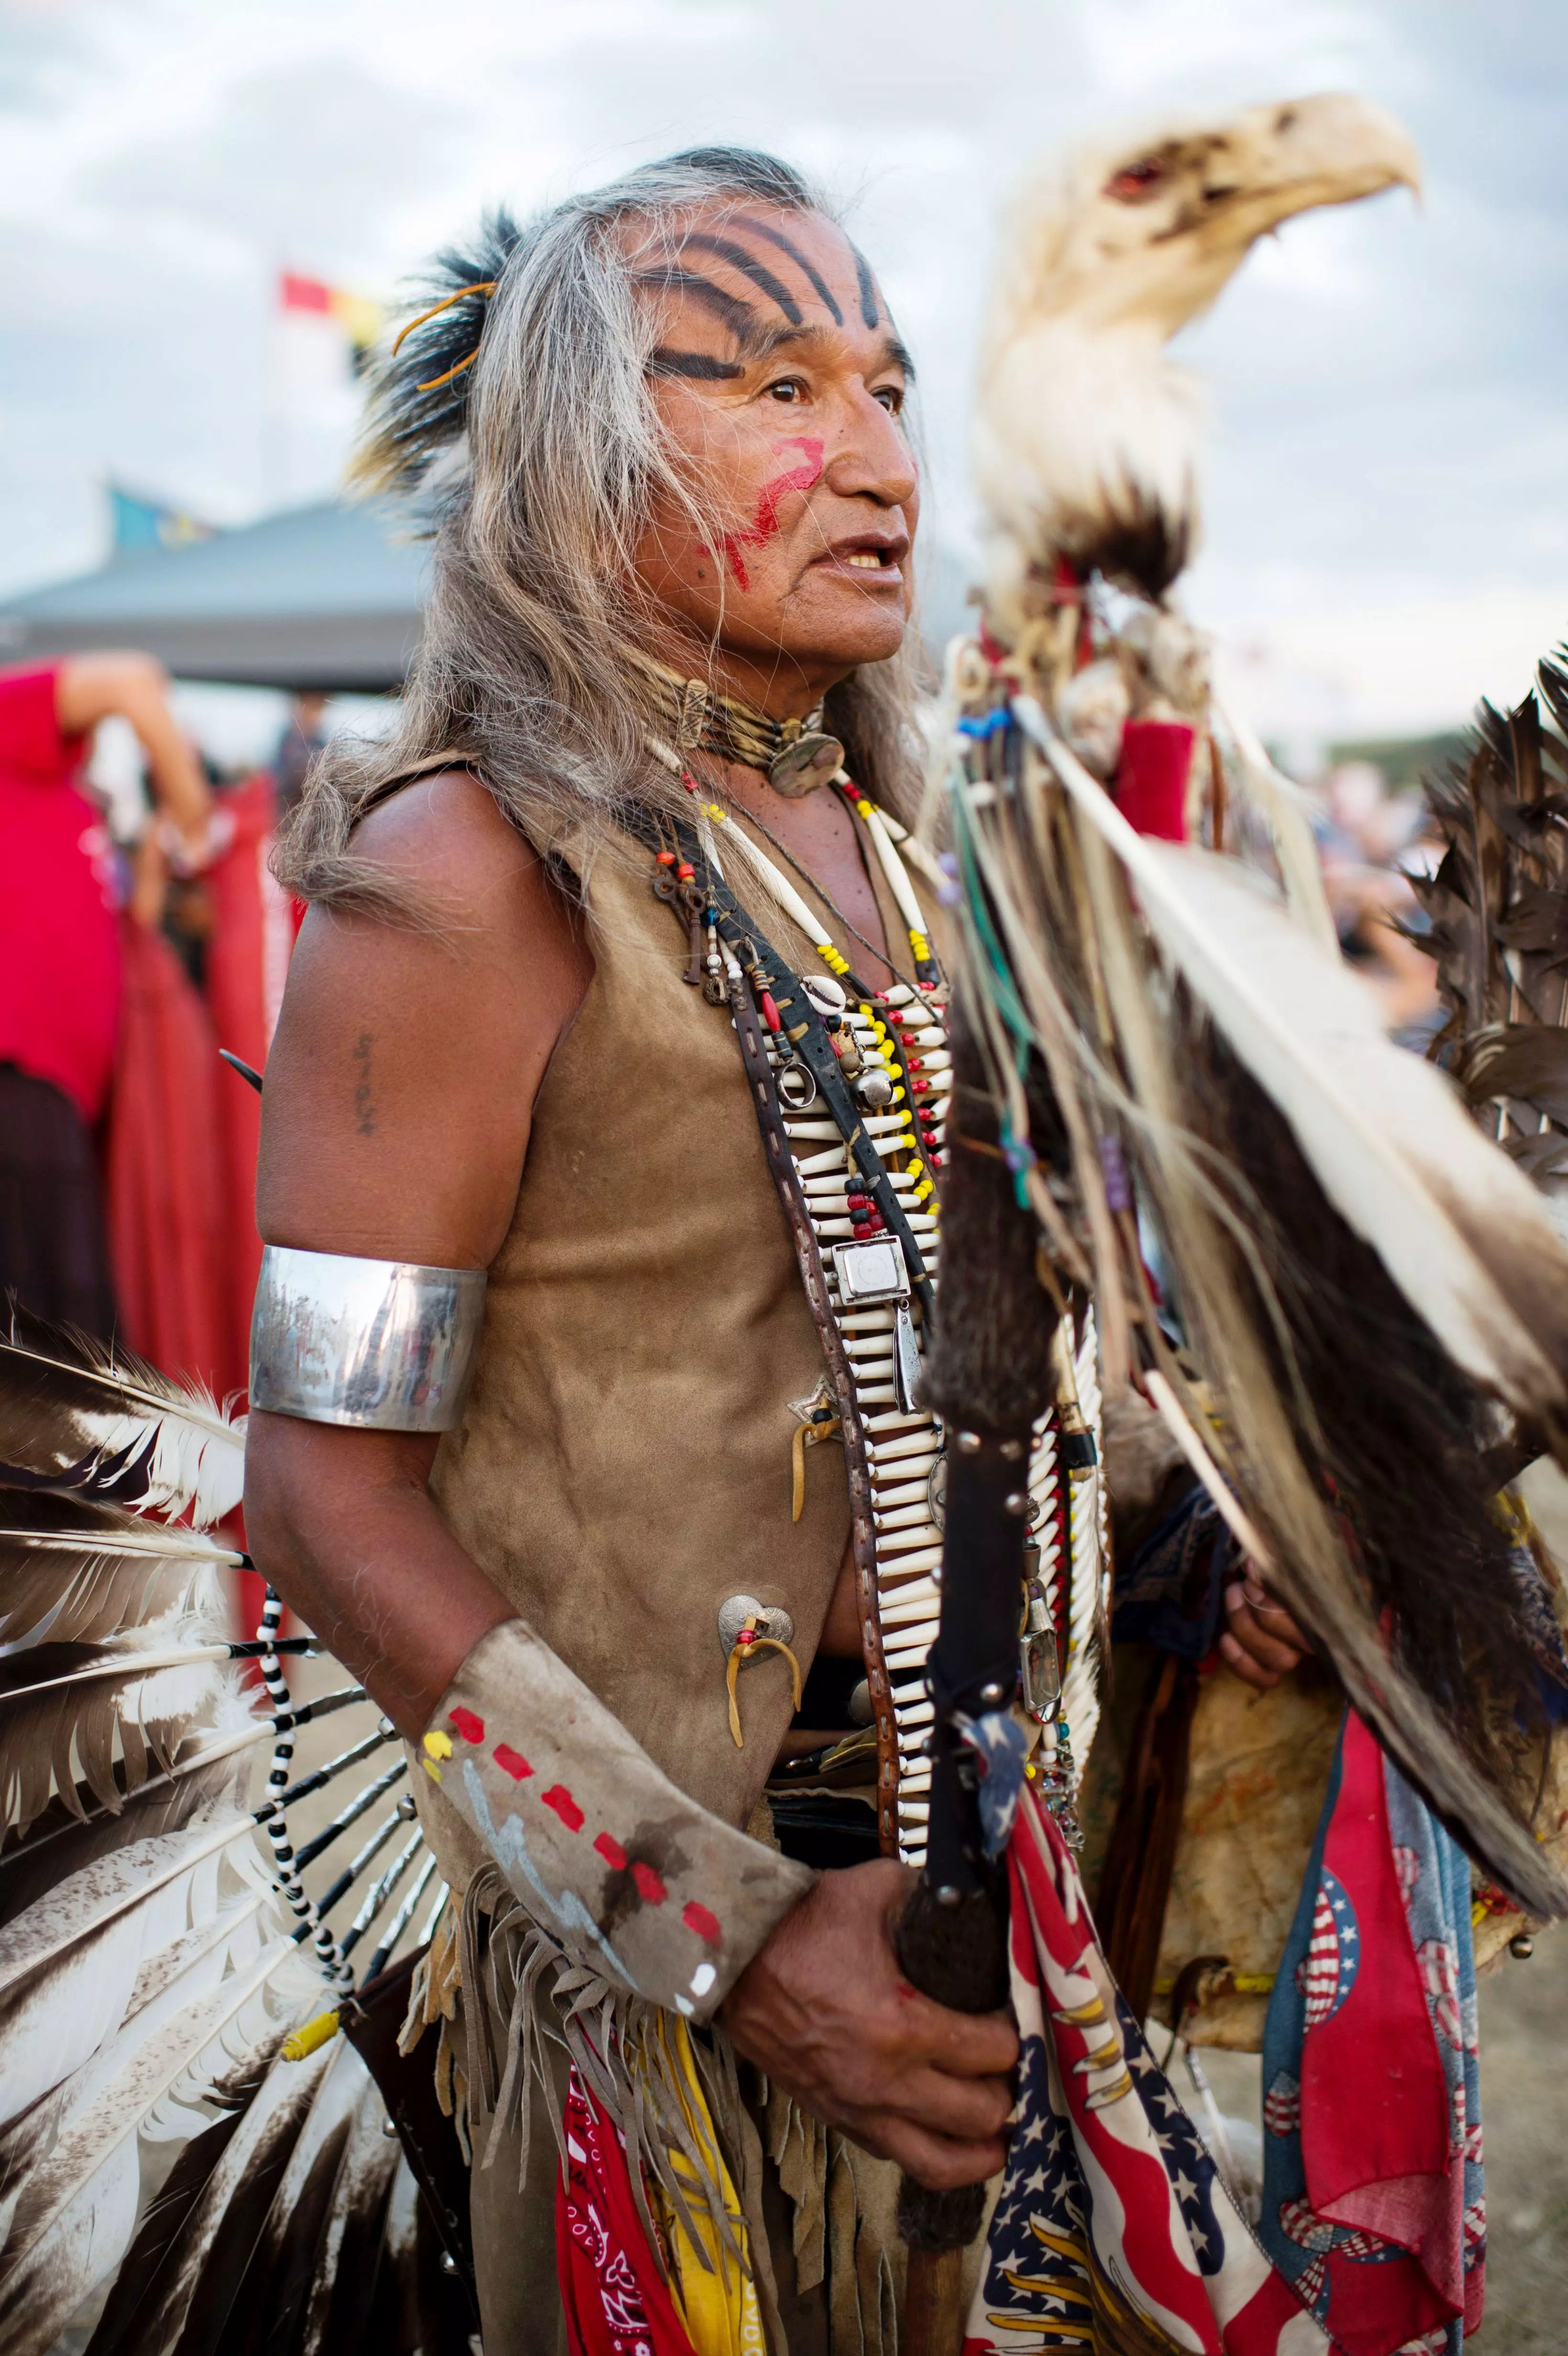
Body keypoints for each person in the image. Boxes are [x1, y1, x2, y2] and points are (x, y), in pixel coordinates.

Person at [245, 149, 1301, 2350]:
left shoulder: (909, 865)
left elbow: (970, 1355)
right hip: (664, 2007)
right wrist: (709, 1930)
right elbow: (319, 1491)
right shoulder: (461, 877)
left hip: (977, 1935)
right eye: (777, 383)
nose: (883, 460)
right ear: (578, 449)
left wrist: (1190, 1542)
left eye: (893, 388)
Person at [0, 653, 209, 1333]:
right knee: (51, 1347)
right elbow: (132, 678)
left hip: (59, 1101)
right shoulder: (11, 721)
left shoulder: (54, 787)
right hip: (22, 1088)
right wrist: (194, 820)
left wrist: (153, 867)